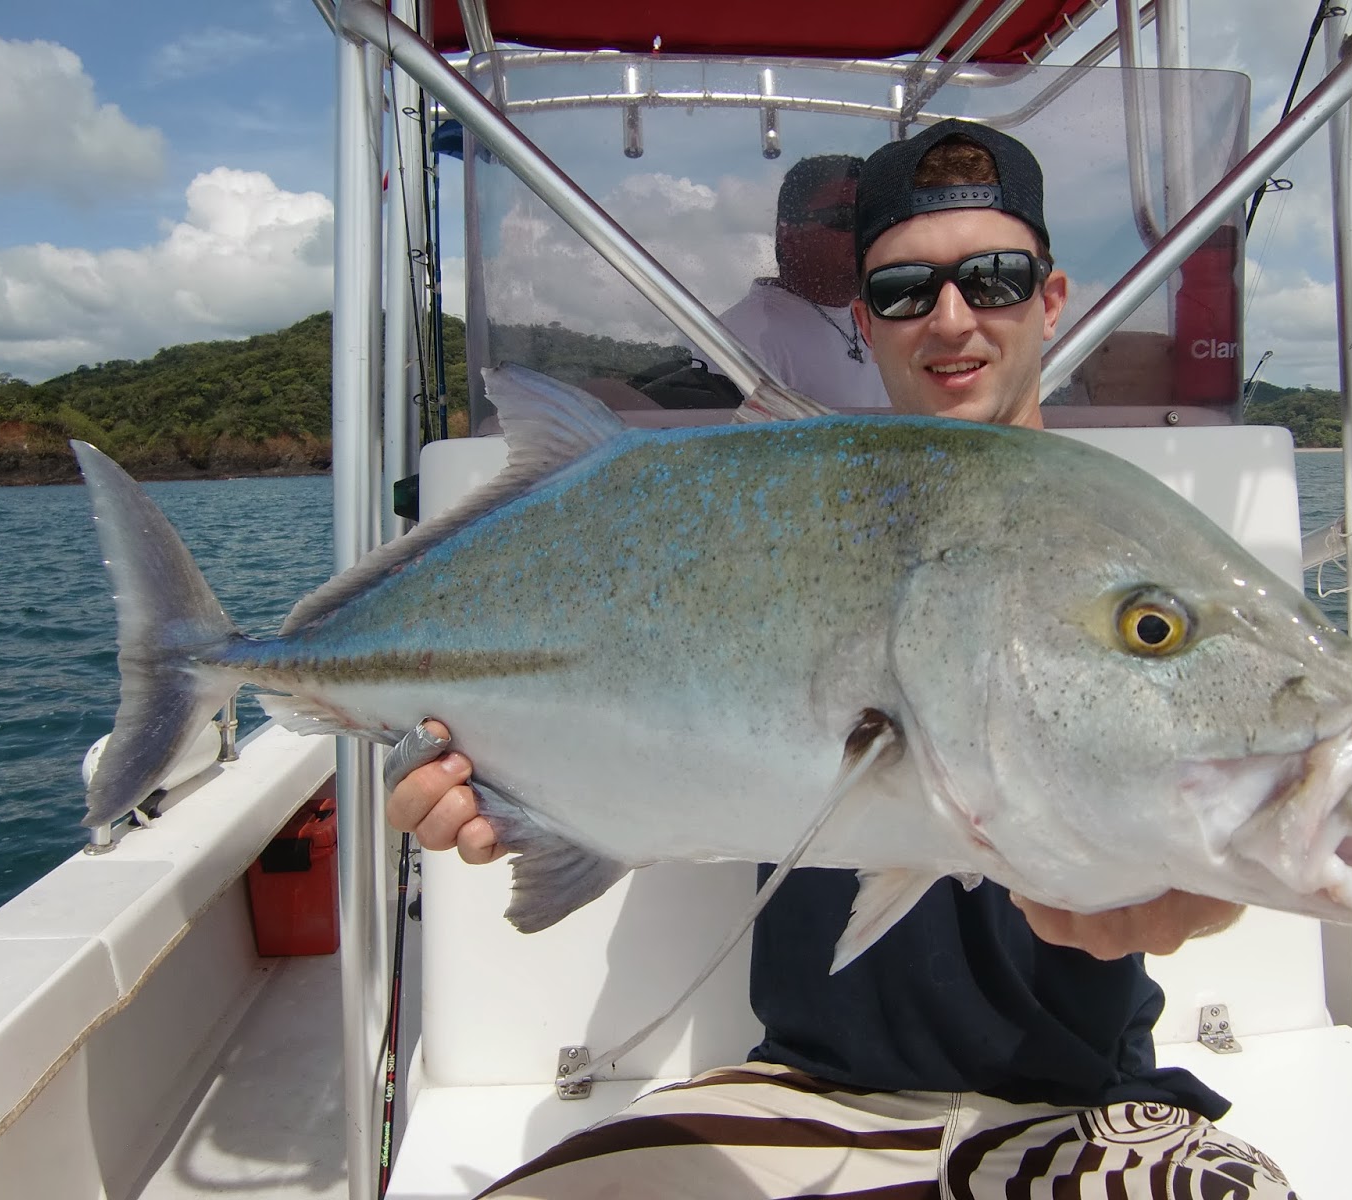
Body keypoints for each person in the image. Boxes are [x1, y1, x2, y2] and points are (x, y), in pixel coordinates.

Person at [387, 120, 1298, 1198]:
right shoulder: (774, 521)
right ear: (865, 322)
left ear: (1048, 301)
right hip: (798, 1096)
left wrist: (1191, 897)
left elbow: (1230, 810)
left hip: (1080, 1104)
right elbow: (633, 706)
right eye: (907, 291)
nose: (951, 317)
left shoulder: (1128, 560)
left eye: (993, 278)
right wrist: (499, 780)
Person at [706, 153, 890, 410]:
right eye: (845, 217)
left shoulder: (881, 319)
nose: (863, 233)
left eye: (869, 218)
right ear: (789, 235)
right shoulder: (741, 341)